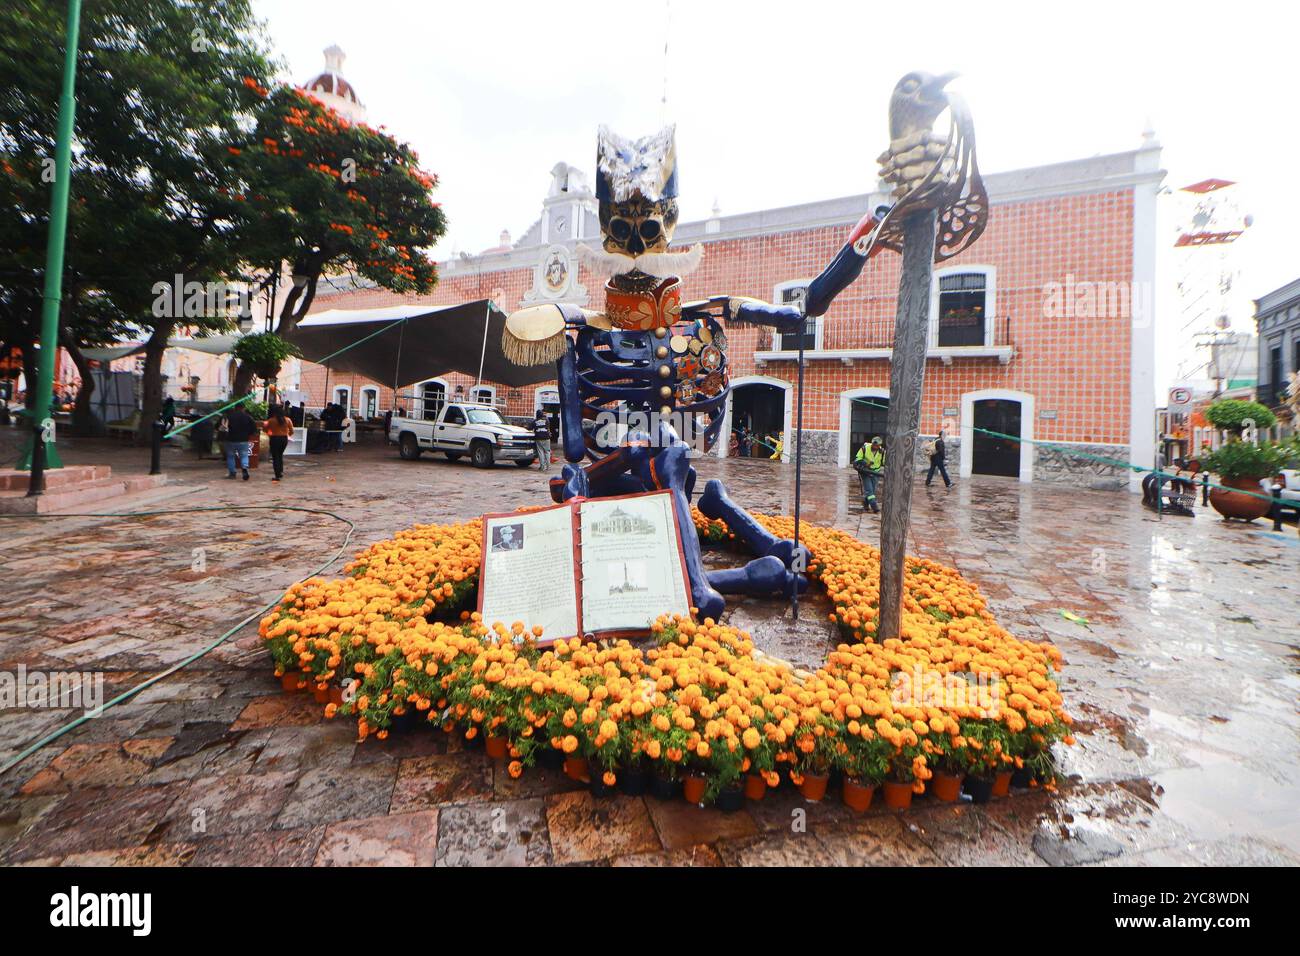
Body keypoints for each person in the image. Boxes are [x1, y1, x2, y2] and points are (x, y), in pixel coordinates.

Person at [223, 403, 257, 480]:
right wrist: (248, 434)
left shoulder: (229, 416)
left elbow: (222, 427)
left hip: (230, 439)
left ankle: (232, 473)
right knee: (244, 455)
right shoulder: (248, 417)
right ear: (243, 408)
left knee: (230, 456)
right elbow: (254, 428)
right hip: (243, 439)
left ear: (235, 408)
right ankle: (244, 468)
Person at [264, 403, 294, 482]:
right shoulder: (287, 420)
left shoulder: (271, 420)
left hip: (274, 438)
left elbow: (265, 429)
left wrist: (270, 433)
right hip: (284, 439)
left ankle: (277, 474)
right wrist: (287, 435)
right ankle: (280, 471)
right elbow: (292, 431)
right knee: (280, 455)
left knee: (275, 456)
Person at [855, 435, 885, 512]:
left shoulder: (882, 452)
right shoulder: (865, 448)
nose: (875, 446)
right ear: (872, 443)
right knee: (869, 490)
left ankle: (865, 503)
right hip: (865, 471)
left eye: (877, 445)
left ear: (879, 445)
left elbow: (885, 462)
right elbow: (858, 458)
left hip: (875, 472)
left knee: (872, 490)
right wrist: (865, 464)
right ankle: (874, 505)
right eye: (873, 445)